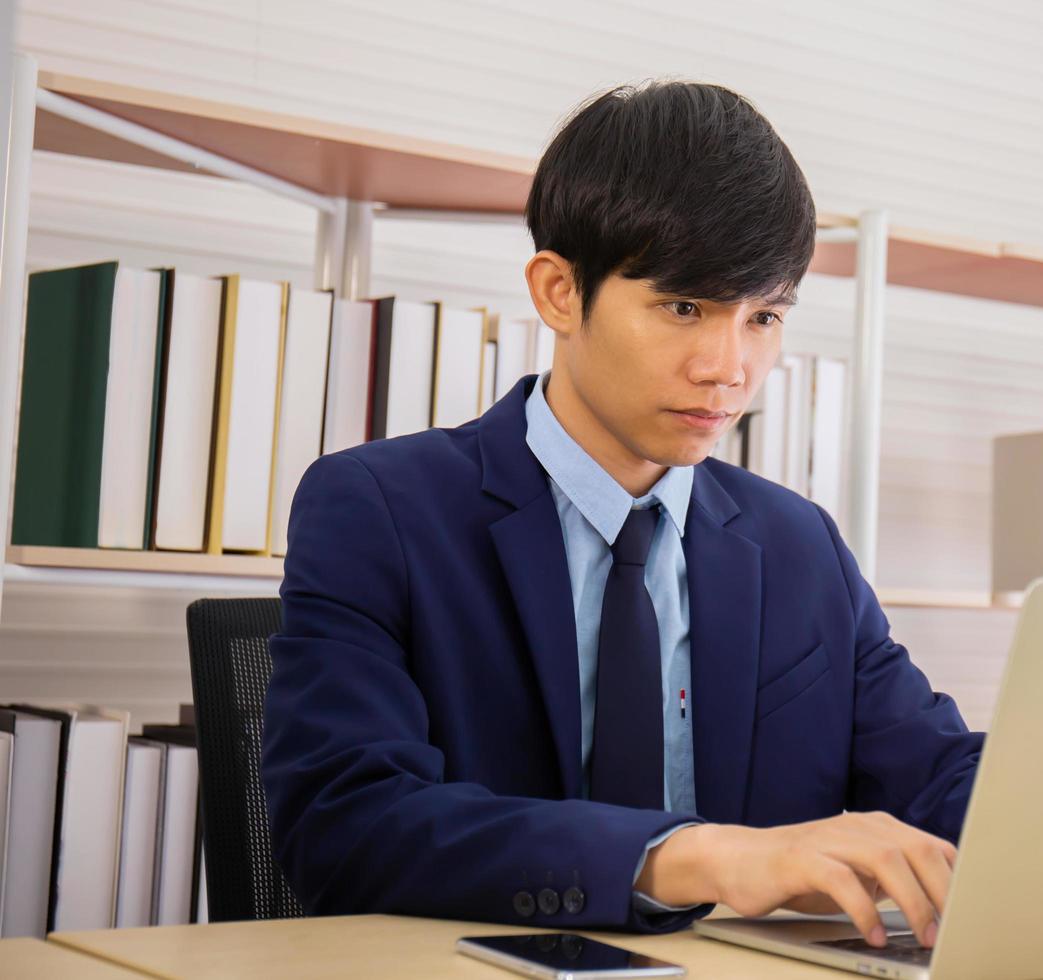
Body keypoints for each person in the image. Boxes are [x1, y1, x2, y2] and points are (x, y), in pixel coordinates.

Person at [262, 80, 984, 951]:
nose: (729, 368)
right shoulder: (377, 509)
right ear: (560, 292)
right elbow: (346, 826)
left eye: (764, 317)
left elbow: (938, 769)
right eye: (685, 308)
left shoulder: (799, 545)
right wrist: (699, 857)